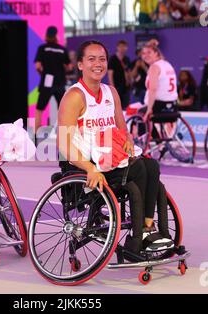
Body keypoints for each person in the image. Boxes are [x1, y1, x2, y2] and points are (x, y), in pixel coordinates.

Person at [57, 40, 173, 259]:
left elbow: (121, 127)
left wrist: (128, 140)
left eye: (102, 59)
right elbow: (63, 143)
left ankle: (148, 227)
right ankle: (138, 238)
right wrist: (89, 168)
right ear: (80, 65)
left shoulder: (111, 92)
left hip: (110, 157)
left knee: (152, 165)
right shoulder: (74, 96)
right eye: (91, 59)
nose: (98, 64)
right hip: (85, 163)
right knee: (139, 169)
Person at [34, 26, 71, 134]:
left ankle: (36, 132)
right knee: (63, 108)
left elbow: (38, 66)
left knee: (39, 108)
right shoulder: (62, 49)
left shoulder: (42, 48)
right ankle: (65, 131)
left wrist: (42, 74)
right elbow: (69, 67)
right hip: (59, 82)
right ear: (56, 36)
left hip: (47, 81)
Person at [142, 40, 178, 122]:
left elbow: (153, 89)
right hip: (173, 106)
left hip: (158, 106)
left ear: (156, 53)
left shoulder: (154, 67)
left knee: (132, 111)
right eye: (143, 53)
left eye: (149, 52)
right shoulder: (167, 64)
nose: (145, 55)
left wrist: (149, 109)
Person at [108, 40, 132, 110]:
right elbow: (110, 74)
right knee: (117, 107)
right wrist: (113, 88)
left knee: (126, 107)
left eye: (124, 47)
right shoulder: (113, 59)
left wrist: (130, 82)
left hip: (126, 87)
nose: (122, 48)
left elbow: (129, 72)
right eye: (121, 47)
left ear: (126, 48)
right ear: (117, 47)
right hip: (117, 86)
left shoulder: (126, 59)